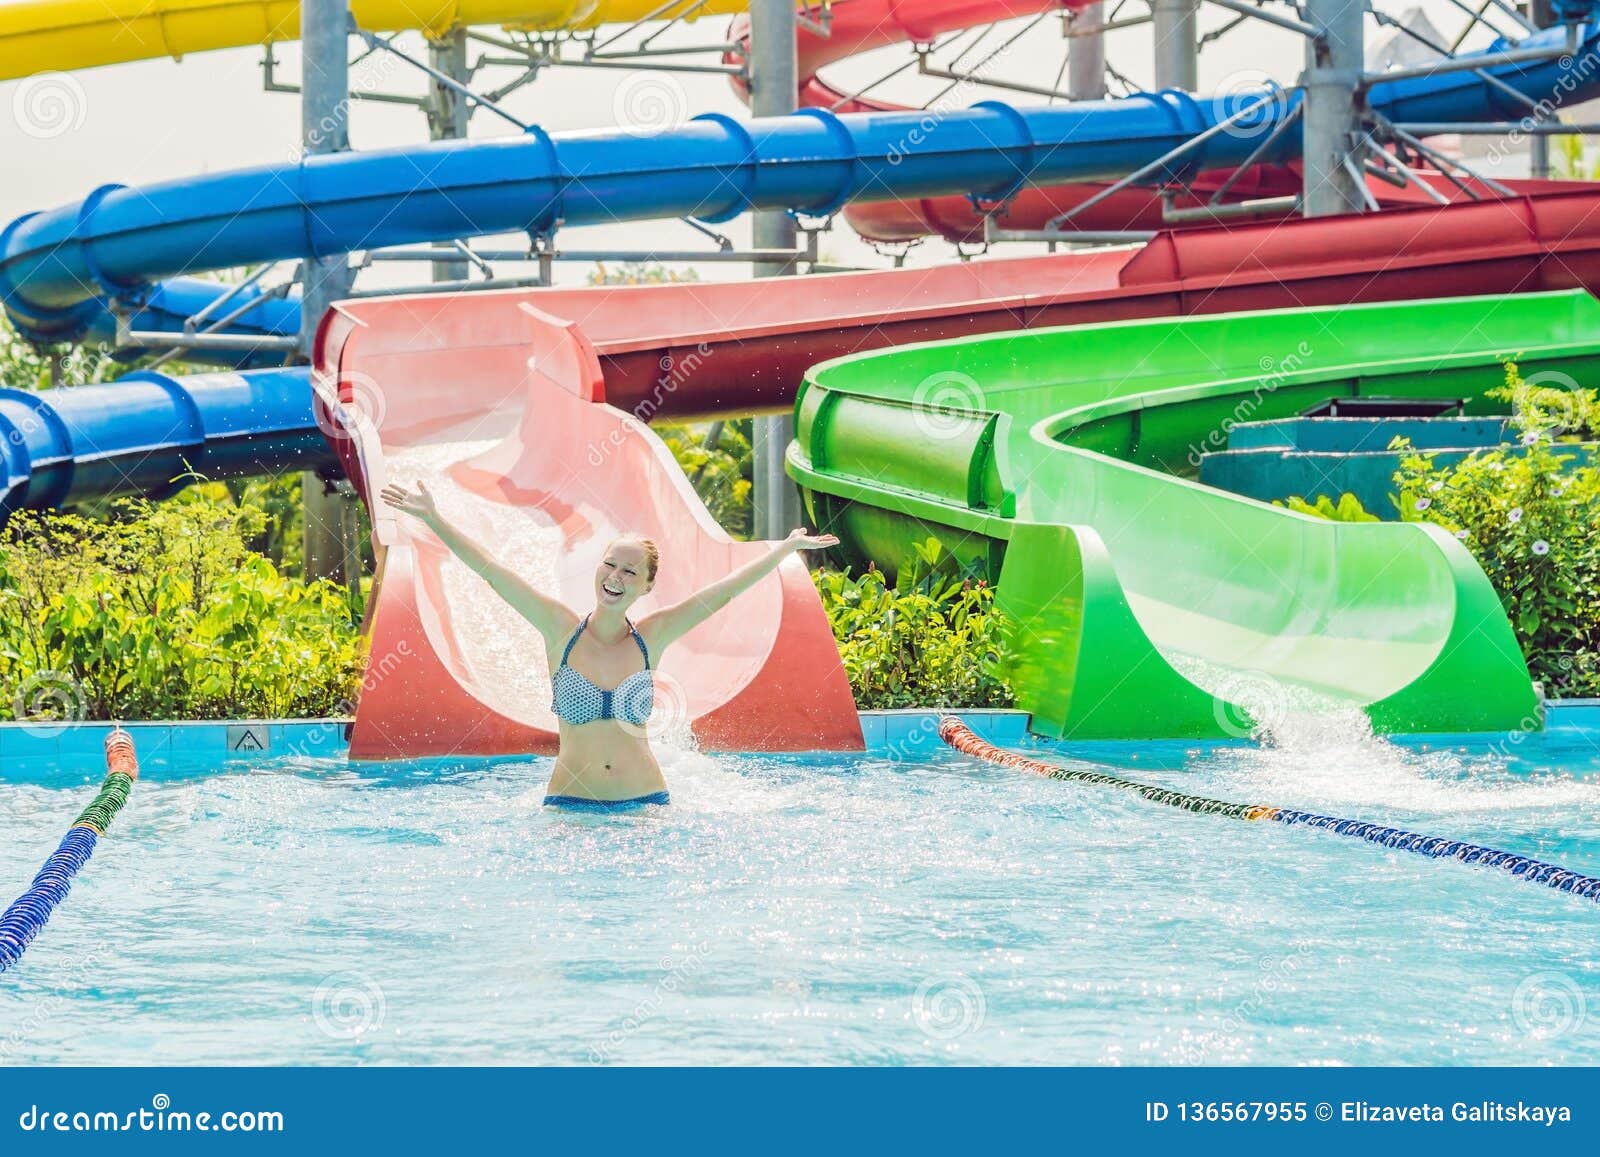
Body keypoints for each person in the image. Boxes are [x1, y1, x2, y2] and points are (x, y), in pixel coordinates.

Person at [379, 479, 838, 811]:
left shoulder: (651, 638)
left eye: (629, 572)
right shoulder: (559, 629)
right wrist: (434, 519)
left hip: (647, 807)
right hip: (568, 806)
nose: (615, 577)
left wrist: (780, 553)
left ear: (646, 586)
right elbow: (492, 571)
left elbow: (722, 594)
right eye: (610, 564)